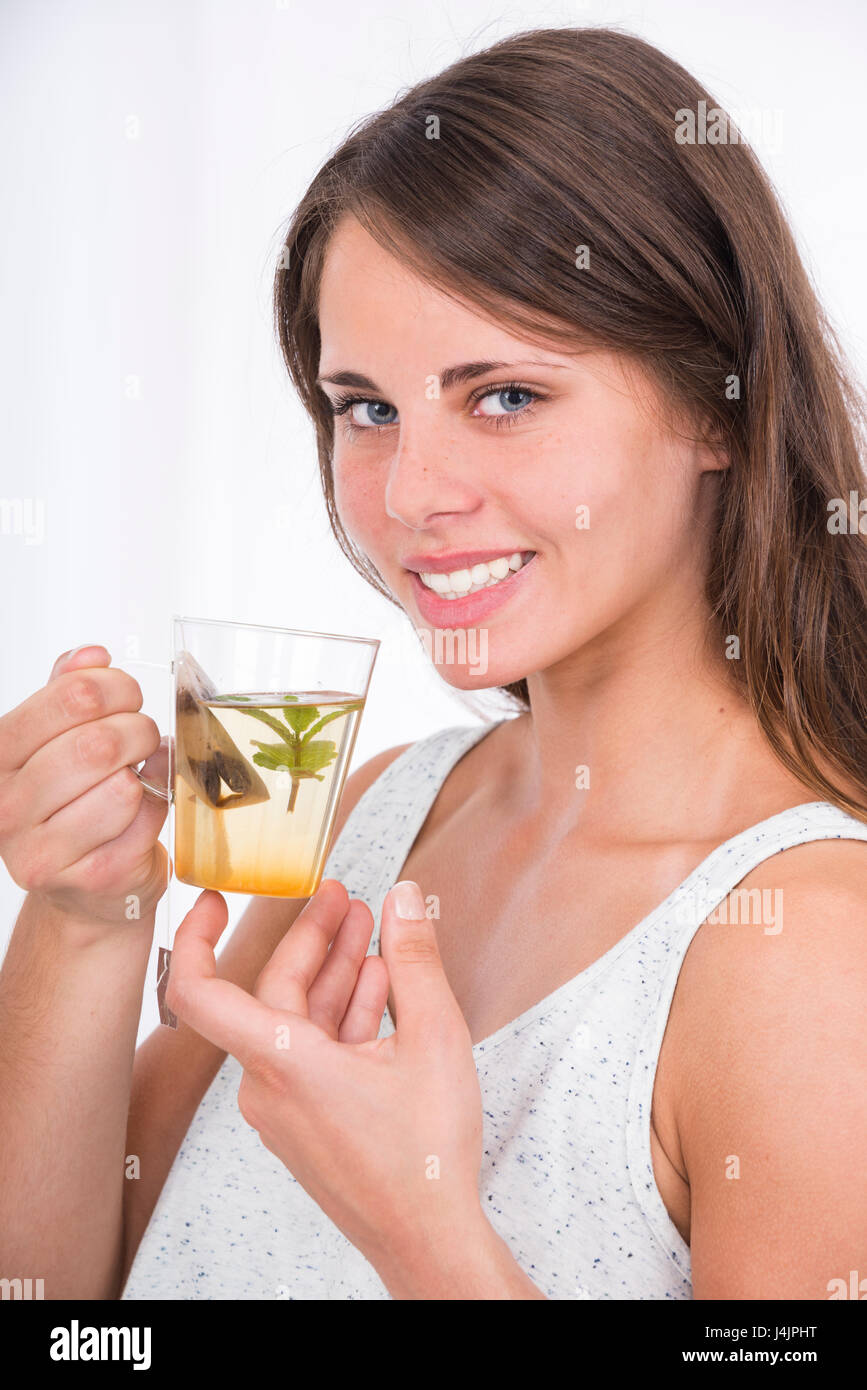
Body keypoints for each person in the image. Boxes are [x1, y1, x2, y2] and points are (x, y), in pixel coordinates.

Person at [1, 26, 866, 1301]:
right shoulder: (378, 810)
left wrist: (422, 1230)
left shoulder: (805, 960)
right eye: (368, 407)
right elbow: (65, 1312)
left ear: (716, 406)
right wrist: (84, 921)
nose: (410, 493)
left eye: (506, 395)